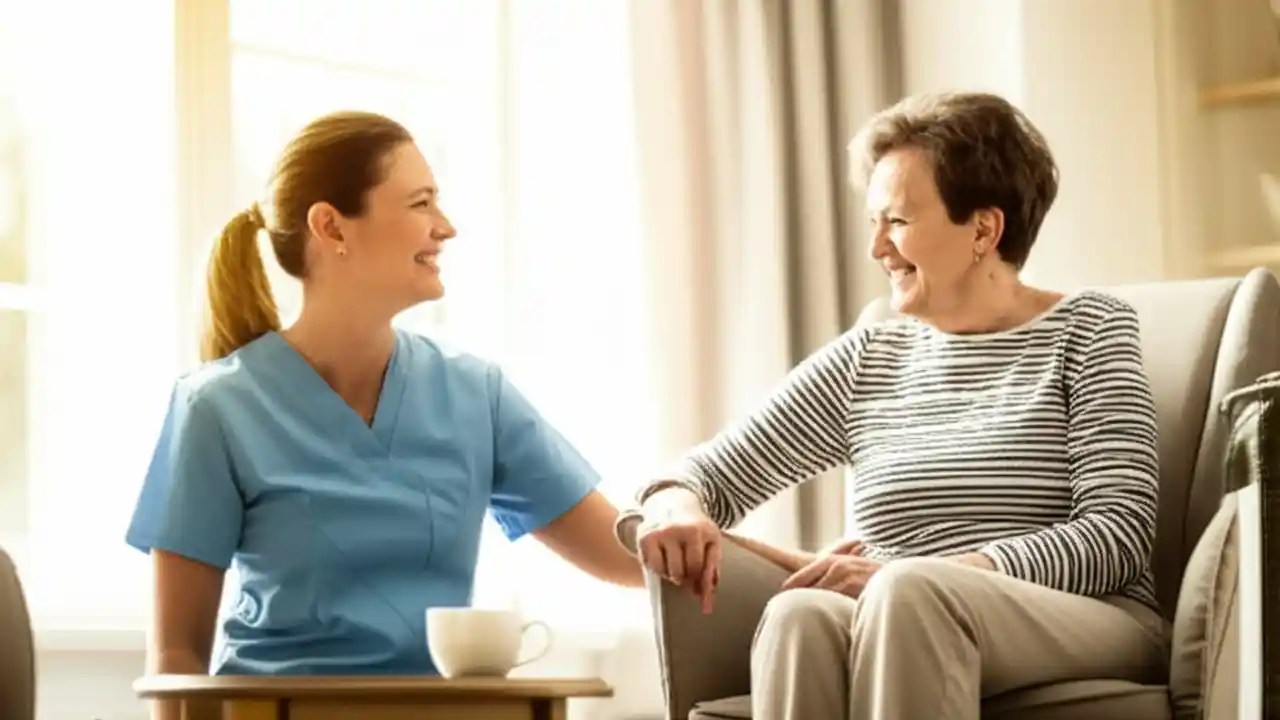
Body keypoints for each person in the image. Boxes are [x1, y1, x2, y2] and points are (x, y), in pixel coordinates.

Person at [634, 92, 1168, 719]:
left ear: (983, 229)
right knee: (799, 615)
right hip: (906, 603)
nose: (877, 249)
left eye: (898, 222)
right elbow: (702, 476)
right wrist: (675, 506)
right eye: (873, 224)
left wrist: (930, 573)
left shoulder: (1090, 330)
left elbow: (1118, 535)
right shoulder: (870, 357)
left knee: (912, 591)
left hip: (1085, 615)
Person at [126, 112, 643, 695]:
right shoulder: (215, 407)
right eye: (420, 203)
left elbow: (630, 552)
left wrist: (722, 540)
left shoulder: (476, 394)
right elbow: (176, 653)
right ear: (332, 227)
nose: (444, 228)